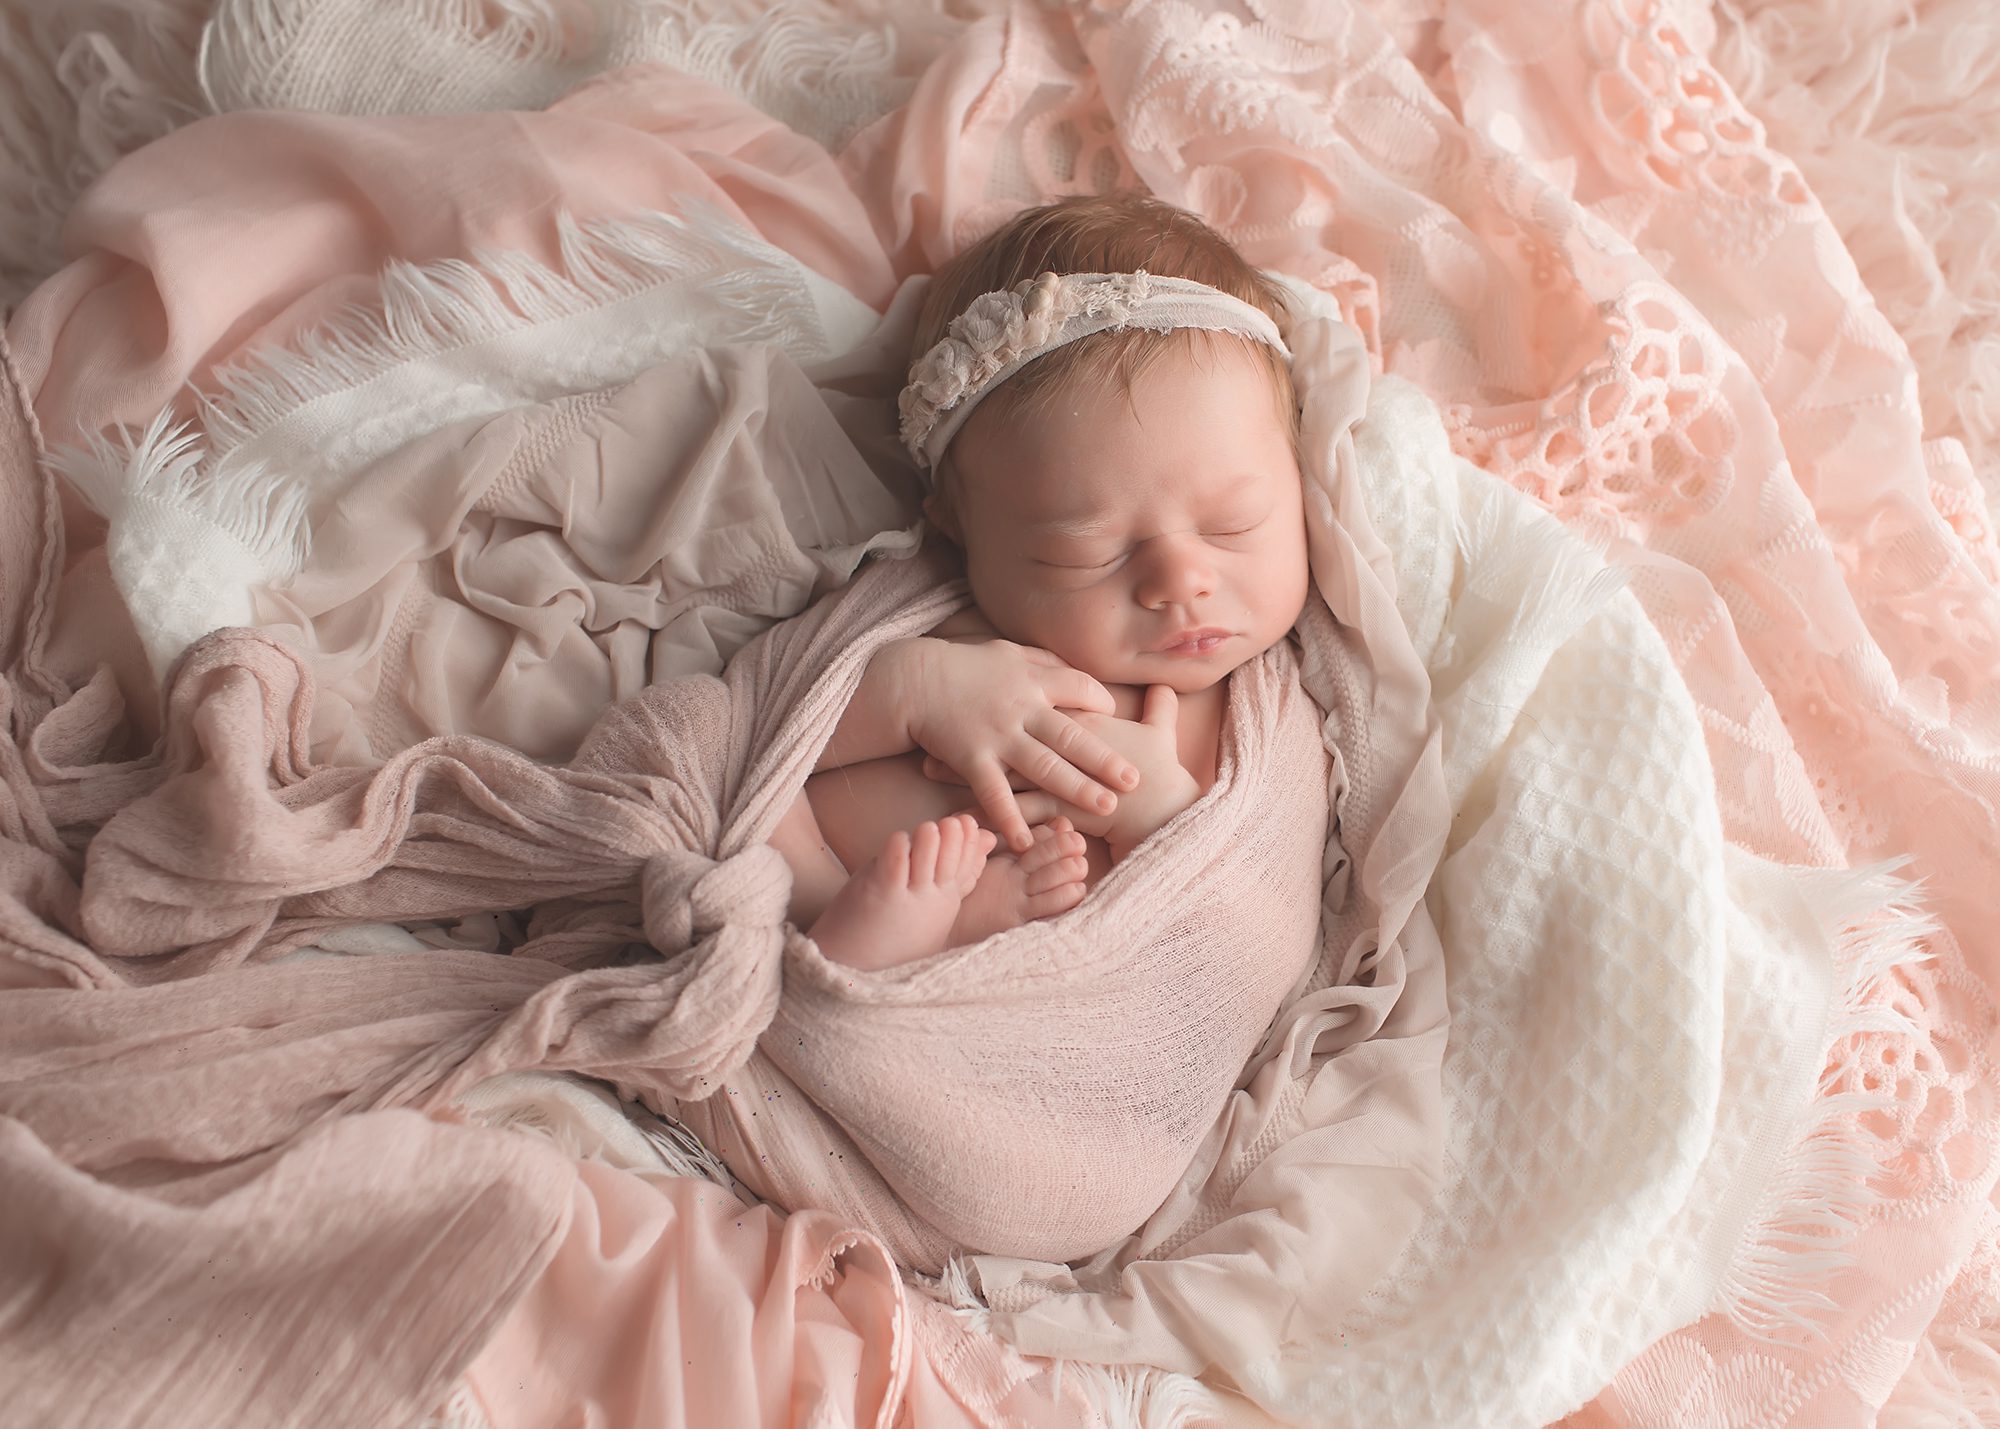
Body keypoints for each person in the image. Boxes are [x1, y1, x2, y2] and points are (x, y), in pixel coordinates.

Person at [766, 193, 1311, 972]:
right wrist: (908, 690)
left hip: (1071, 1015)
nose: (1182, 580)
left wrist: (1164, 816)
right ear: (962, 533)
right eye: (1087, 553)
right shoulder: (935, 621)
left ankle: (909, 951)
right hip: (813, 898)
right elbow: (755, 726)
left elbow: (1269, 944)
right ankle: (836, 937)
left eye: (1234, 524)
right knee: (759, 825)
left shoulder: (1284, 708)